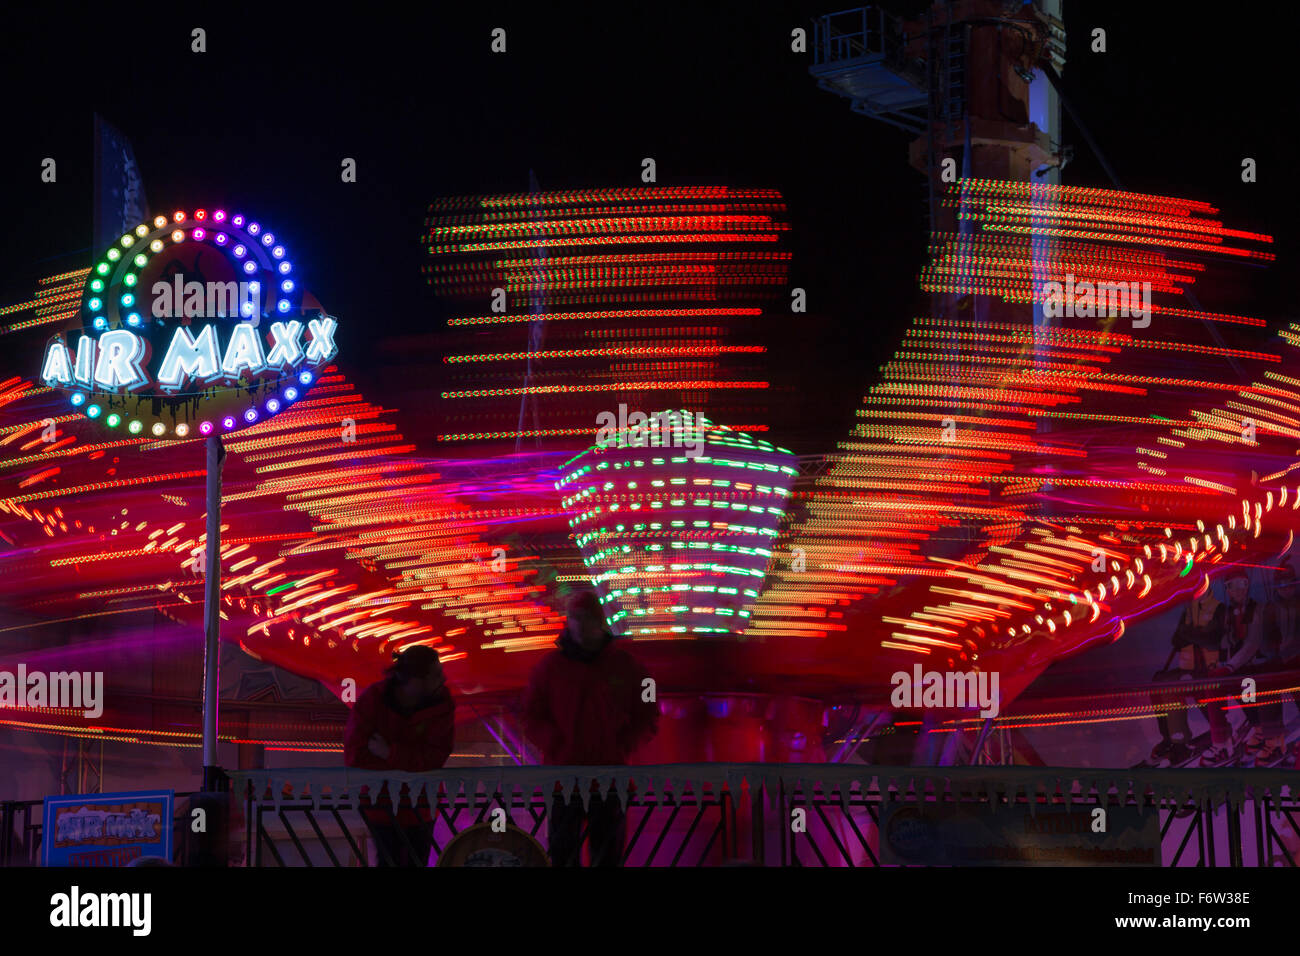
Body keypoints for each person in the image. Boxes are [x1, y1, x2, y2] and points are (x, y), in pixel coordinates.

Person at [521, 590, 658, 866]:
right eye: (575, 618)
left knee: (588, 855)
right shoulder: (625, 667)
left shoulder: (553, 668)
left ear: (600, 622)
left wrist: (555, 744)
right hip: (591, 778)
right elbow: (530, 714)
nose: (580, 624)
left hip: (580, 777)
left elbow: (648, 713)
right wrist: (622, 745)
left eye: (586, 618)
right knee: (580, 855)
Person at [343, 645, 455, 866]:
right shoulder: (376, 699)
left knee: (396, 860)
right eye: (437, 674)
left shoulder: (375, 699)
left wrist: (388, 753)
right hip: (402, 802)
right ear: (415, 680)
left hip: (394, 801)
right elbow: (357, 755)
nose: (444, 679)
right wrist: (409, 764)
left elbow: (433, 759)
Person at [1148, 586, 1224, 766]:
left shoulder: (1218, 609)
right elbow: (1177, 639)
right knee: (1158, 683)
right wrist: (1192, 634)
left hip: (1208, 670)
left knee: (1175, 688)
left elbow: (1212, 640)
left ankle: (1181, 741)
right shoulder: (1189, 610)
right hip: (1190, 669)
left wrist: (1190, 633)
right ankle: (1169, 737)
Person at [1198, 570, 1263, 766]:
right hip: (1235, 667)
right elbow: (1226, 641)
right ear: (1227, 590)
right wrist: (1222, 663)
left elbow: (1253, 644)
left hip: (1255, 668)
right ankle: (1221, 740)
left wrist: (1229, 667)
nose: (1238, 590)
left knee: (1247, 687)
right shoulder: (1227, 613)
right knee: (1213, 686)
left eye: (1242, 584)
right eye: (1233, 586)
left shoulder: (1256, 610)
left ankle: (1259, 727)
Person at [1245, 562, 1300, 765]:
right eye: (1283, 585)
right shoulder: (1269, 609)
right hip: (1277, 661)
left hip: (1297, 661)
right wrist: (1273, 650)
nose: (1287, 588)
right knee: (1259, 683)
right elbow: (1263, 640)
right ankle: (1271, 736)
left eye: (1290, 584)